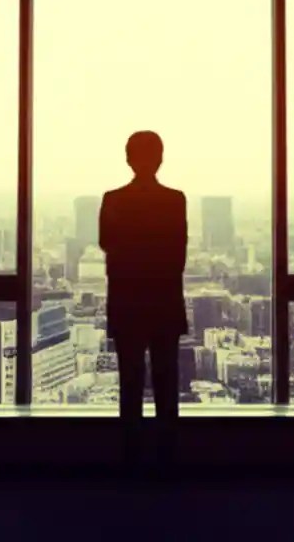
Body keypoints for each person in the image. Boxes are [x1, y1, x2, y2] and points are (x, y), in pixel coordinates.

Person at [99, 130, 188, 471]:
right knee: (167, 382)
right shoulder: (175, 200)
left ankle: (130, 458)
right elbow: (177, 255)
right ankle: (168, 458)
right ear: (161, 158)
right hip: (164, 302)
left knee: (130, 382)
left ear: (127, 158)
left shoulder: (113, 199)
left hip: (127, 303)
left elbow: (107, 243)